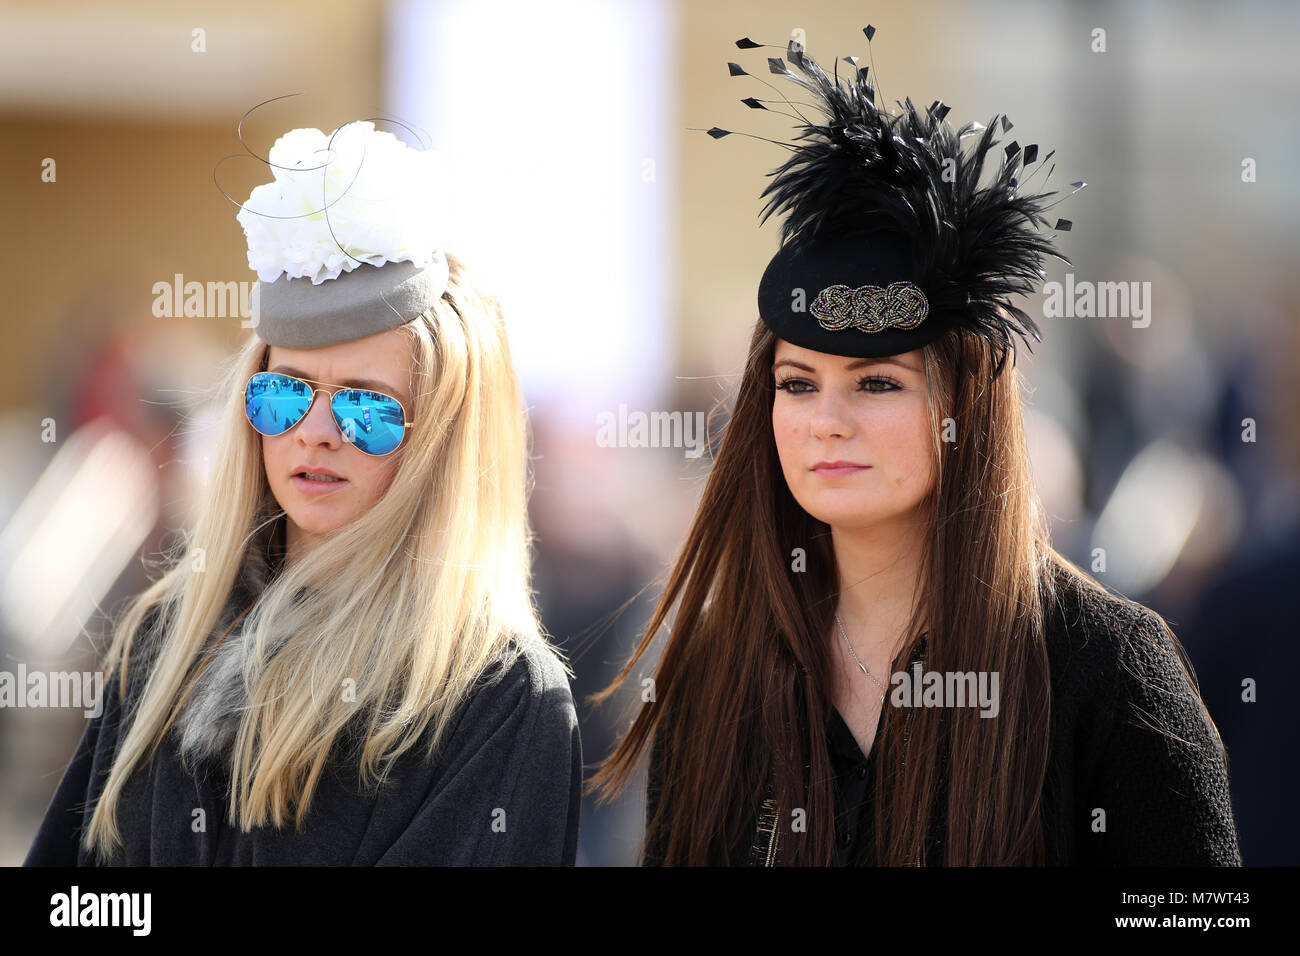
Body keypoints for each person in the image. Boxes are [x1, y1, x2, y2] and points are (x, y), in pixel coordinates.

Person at [589, 26, 1241, 866]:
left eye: (878, 383)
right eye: (797, 384)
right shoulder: (716, 675)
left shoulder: (1105, 671)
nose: (827, 418)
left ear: (962, 407)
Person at [24, 114, 581, 866]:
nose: (316, 431)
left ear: (438, 442)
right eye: (284, 394)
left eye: (366, 405)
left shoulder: (499, 699)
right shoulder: (169, 636)